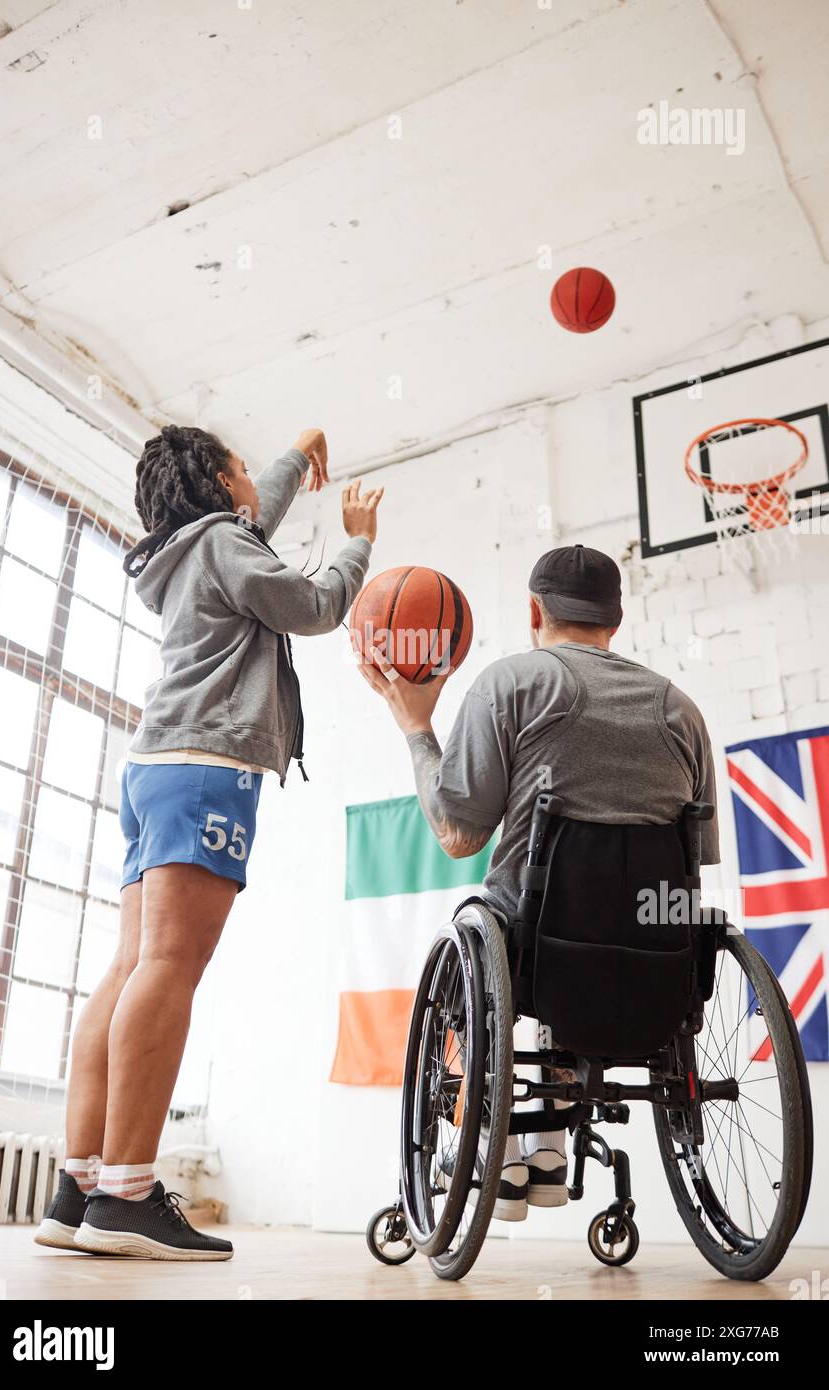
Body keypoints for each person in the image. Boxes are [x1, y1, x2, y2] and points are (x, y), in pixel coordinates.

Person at [36, 425, 383, 1259]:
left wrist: (296, 457)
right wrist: (360, 542)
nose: (247, 481)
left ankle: (78, 1188)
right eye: (239, 467)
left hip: (152, 768)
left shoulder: (192, 547)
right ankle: (126, 1196)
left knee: (129, 968)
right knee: (168, 967)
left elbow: (252, 507)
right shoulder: (228, 541)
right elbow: (314, 608)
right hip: (205, 768)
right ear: (221, 488)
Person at [357, 542, 719, 1220]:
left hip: (536, 942)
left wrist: (415, 727)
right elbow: (693, 857)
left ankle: (482, 1138)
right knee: (580, 924)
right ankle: (549, 1147)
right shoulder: (683, 711)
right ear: (616, 618)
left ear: (534, 610)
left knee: (497, 923)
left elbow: (458, 834)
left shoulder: (511, 682)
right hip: (659, 954)